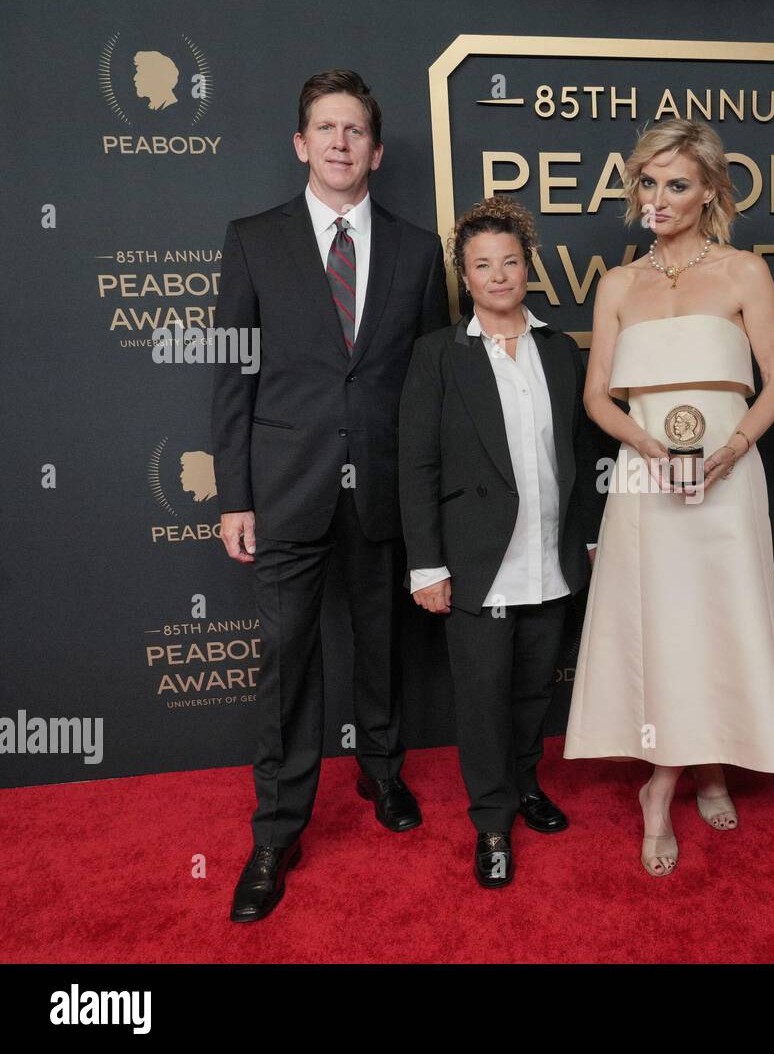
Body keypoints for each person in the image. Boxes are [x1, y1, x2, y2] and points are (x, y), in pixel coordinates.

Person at [212, 69, 449, 922]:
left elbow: (429, 386)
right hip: (285, 487)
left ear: (376, 152)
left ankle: (383, 775)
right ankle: (276, 831)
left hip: (382, 485)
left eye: (355, 130)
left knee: (381, 643)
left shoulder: (419, 250)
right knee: (287, 660)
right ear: (301, 144)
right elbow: (233, 374)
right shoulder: (253, 240)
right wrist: (235, 495)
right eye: (326, 127)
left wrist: (428, 496)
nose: (340, 142)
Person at [563, 119, 774, 877]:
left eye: (677, 184)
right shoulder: (617, 285)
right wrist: (647, 448)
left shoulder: (744, 272)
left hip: (729, 479)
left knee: (719, 622)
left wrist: (732, 451)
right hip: (647, 481)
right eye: (649, 183)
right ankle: (664, 787)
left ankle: (706, 768)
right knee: (663, 630)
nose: (659, 198)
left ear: (709, 193)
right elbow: (597, 397)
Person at [398, 197, 603, 889]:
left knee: (533, 689)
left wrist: (589, 538)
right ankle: (491, 821)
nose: (498, 275)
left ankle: (525, 785)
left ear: (527, 266)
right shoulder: (437, 355)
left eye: (510, 261)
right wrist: (426, 565)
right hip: (475, 561)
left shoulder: (559, 350)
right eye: (482, 265)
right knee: (483, 695)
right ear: (465, 275)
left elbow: (581, 451)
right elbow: (417, 465)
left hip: (551, 553)